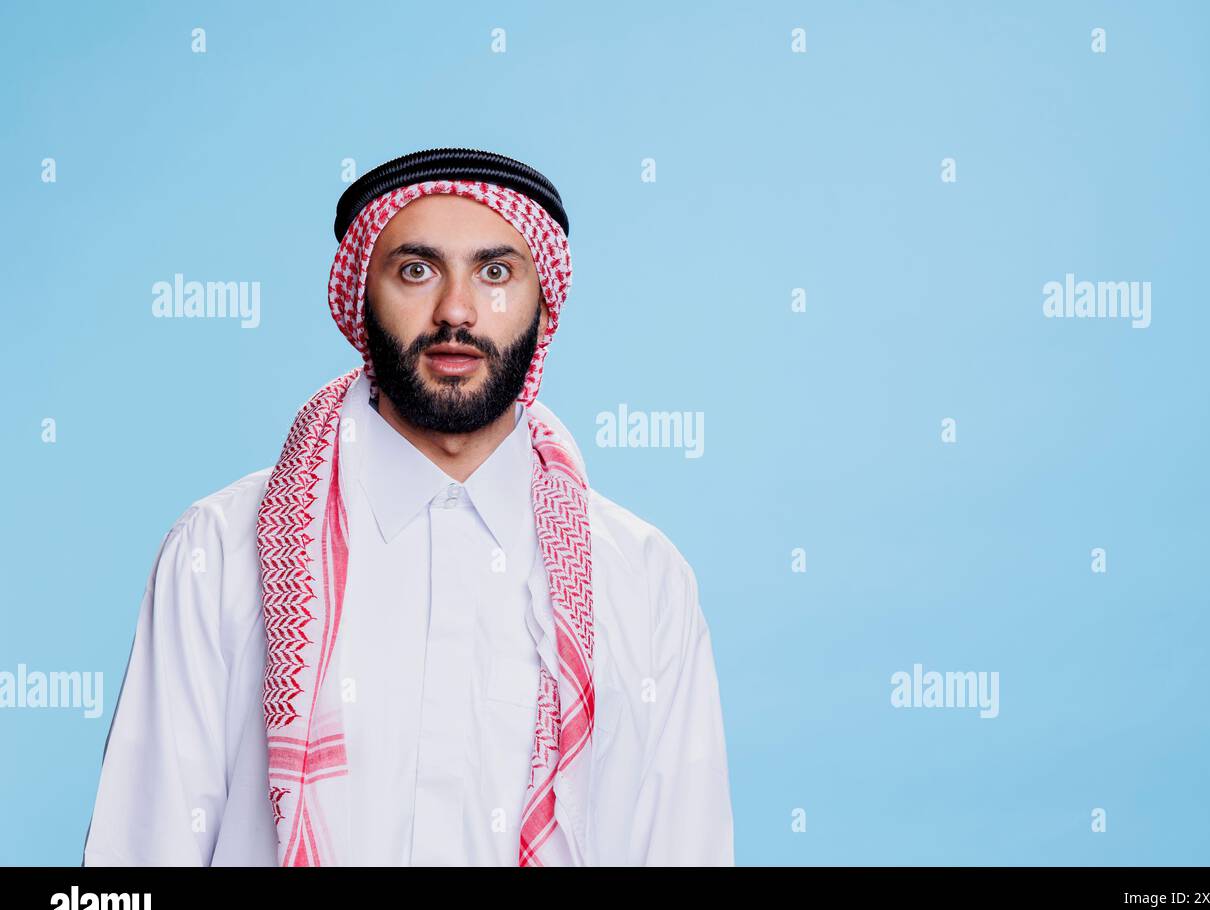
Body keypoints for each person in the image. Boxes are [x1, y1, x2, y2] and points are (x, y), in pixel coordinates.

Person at [82, 147, 733, 866]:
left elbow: (682, 846)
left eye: (495, 272)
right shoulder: (219, 549)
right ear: (361, 299)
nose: (456, 310)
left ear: (543, 302)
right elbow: (135, 863)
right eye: (416, 270)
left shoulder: (643, 579)